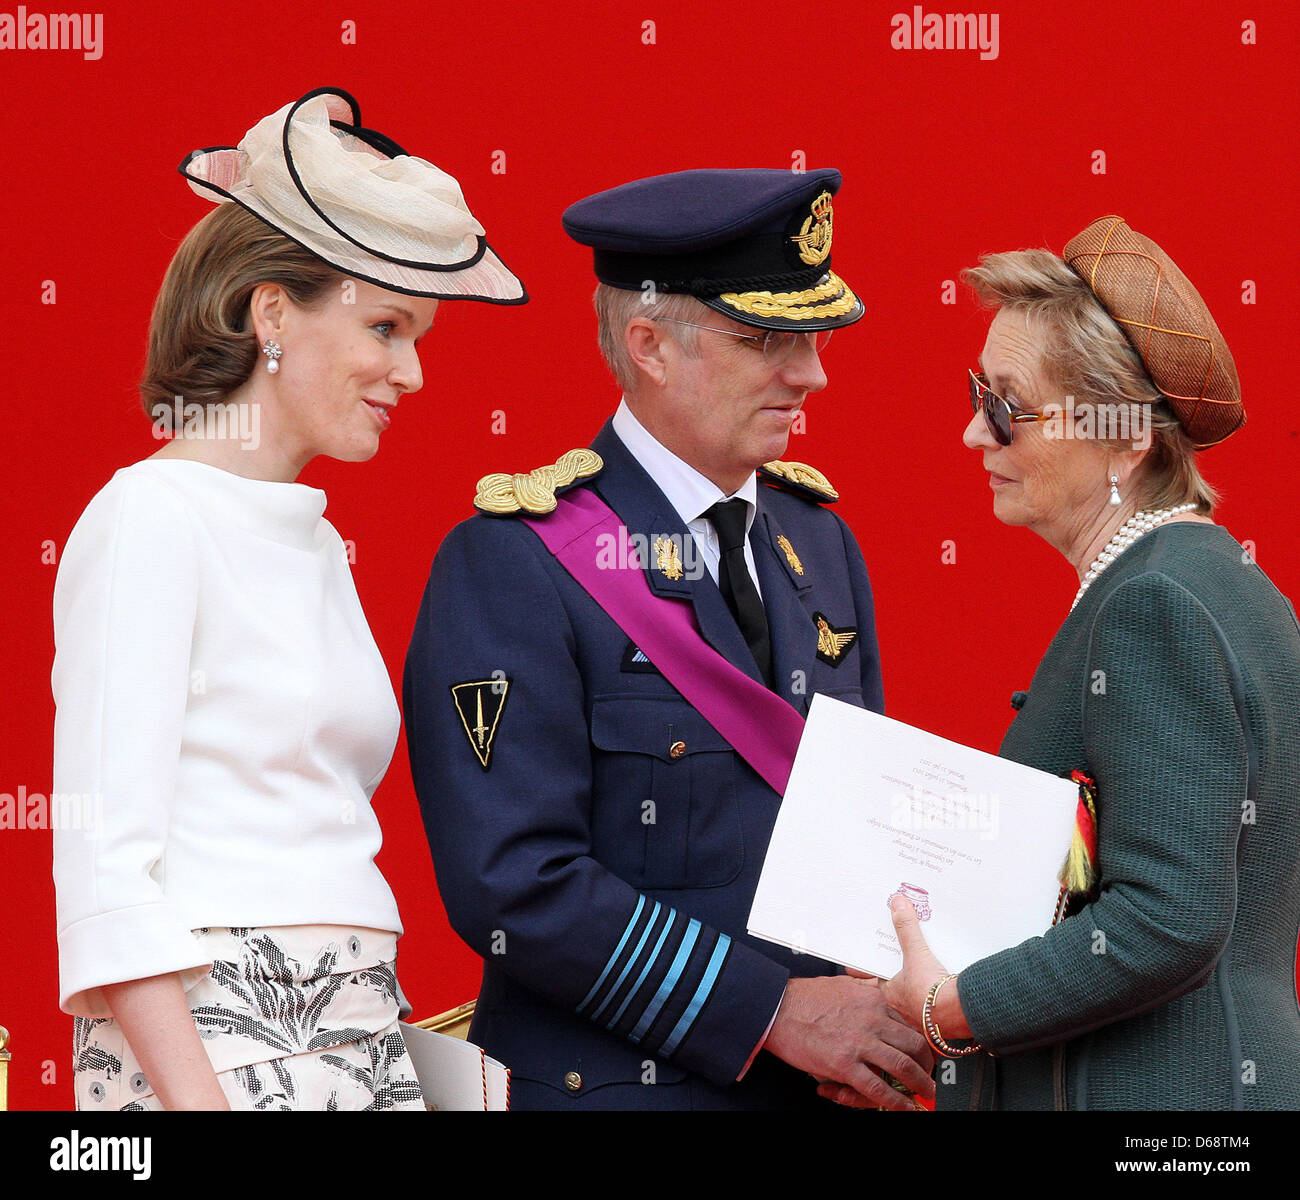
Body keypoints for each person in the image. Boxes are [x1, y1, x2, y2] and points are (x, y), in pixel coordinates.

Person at [403, 168, 936, 1110]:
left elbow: (855, 827)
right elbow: (514, 886)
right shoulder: (515, 560)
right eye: (768, 339)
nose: (811, 374)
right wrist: (770, 1013)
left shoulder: (819, 541)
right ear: (648, 344)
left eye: (813, 339)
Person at [52, 87, 526, 1112]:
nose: (411, 372)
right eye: (387, 327)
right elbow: (103, 869)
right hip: (213, 1066)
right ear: (271, 312)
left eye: (419, 336)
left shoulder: (308, 537)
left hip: (361, 1044)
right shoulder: (150, 516)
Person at [854, 215, 1300, 1111]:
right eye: (977, 394)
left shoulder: (1153, 603)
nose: (974, 434)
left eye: (1006, 406)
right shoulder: (1209, 581)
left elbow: (1167, 917)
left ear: (1127, 436)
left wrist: (951, 1008)